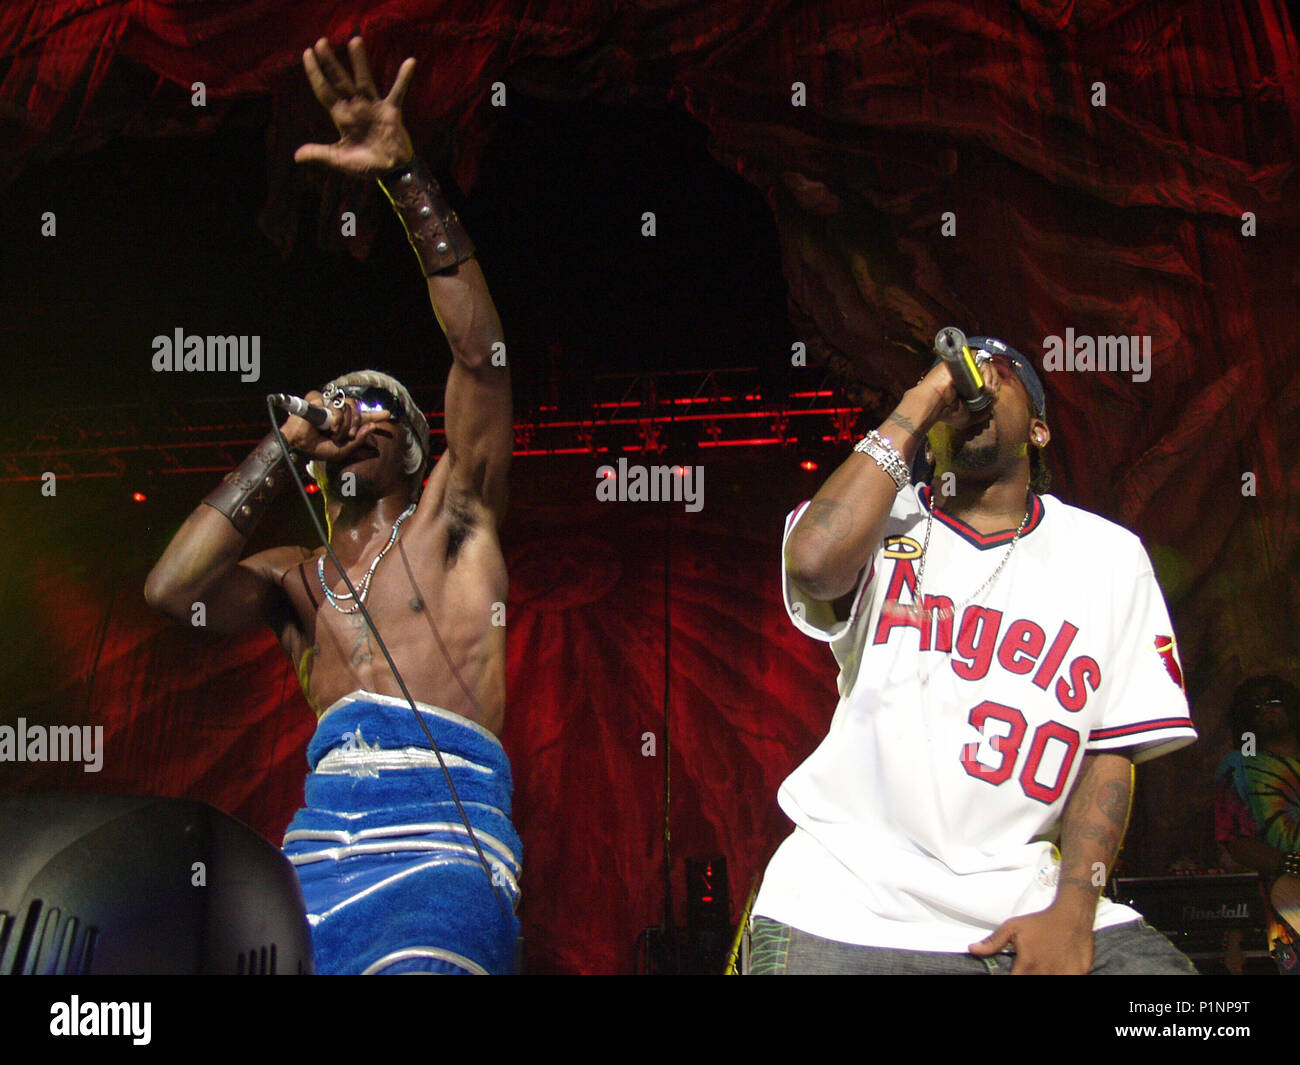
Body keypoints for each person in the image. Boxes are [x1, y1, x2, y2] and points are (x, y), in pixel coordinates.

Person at [145, 37, 518, 974]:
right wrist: (280, 444)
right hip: (314, 845)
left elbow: (481, 358)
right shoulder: (293, 579)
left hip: (440, 831)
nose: (351, 418)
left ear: (413, 446)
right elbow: (169, 589)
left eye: (378, 408)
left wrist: (407, 182)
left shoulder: (451, 516)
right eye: (335, 408)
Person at [748, 335, 1199, 974]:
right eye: (958, 374)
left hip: (1028, 898)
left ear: (1038, 430)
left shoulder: (1108, 556)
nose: (974, 379)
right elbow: (815, 566)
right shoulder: (886, 522)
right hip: (845, 898)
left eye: (1002, 374)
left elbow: (1110, 752)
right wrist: (922, 397)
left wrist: (1073, 912)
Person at [1214, 675, 1300, 974]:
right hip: (1285, 909)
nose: (1266, 709)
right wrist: (1290, 864)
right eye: (1256, 705)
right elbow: (1234, 840)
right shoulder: (1240, 766)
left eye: (1274, 700)